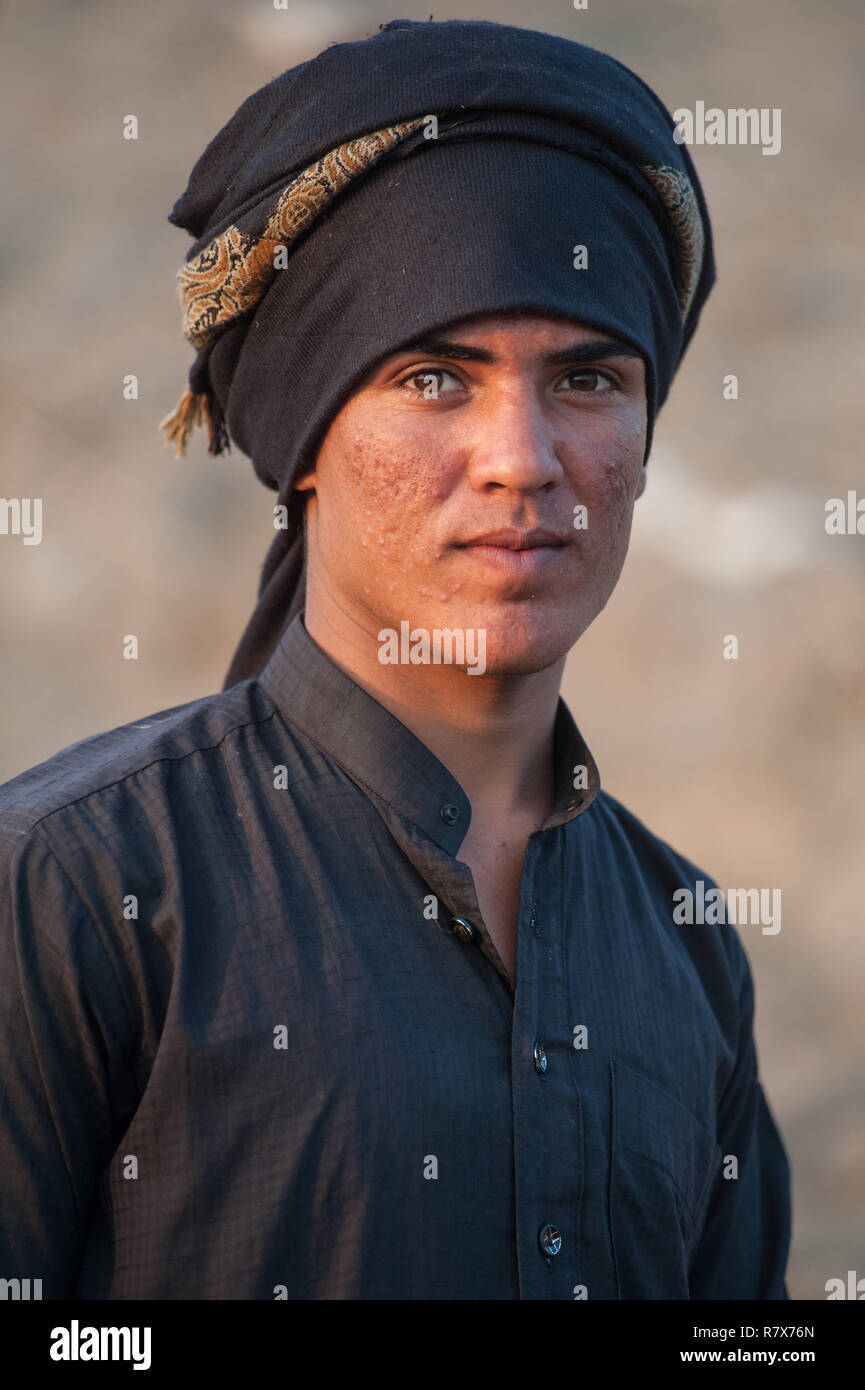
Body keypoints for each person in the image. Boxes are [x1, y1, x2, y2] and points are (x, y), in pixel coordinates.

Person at [0, 18, 790, 1299]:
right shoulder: (68, 890)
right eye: (435, 377)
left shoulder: (689, 947)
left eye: (588, 378)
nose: (522, 456)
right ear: (307, 433)